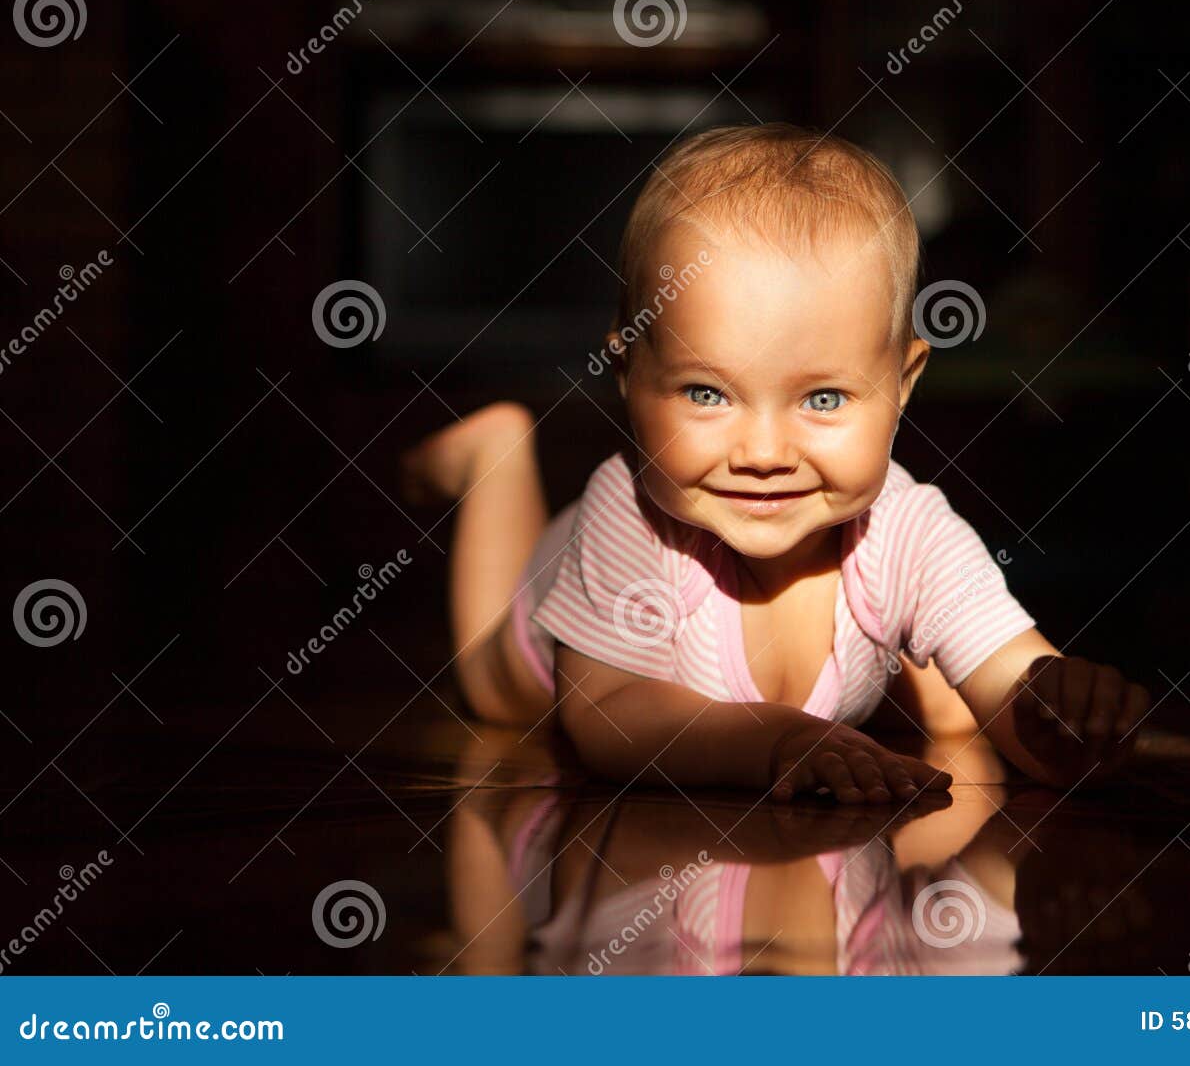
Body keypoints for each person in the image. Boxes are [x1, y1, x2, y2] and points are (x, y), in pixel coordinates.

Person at [402, 123, 1150, 801]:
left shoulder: (910, 526)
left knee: (958, 704)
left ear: (902, 385)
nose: (762, 454)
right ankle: (493, 456)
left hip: (823, 688)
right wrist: (782, 741)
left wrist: (1055, 708)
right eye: (707, 392)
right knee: (495, 687)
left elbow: (1006, 660)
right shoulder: (629, 515)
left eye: (823, 399)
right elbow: (612, 715)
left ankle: (873, 669)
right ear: (628, 375)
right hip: (547, 640)